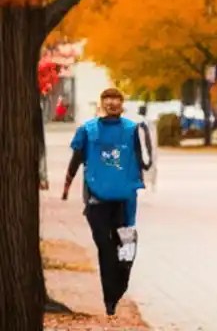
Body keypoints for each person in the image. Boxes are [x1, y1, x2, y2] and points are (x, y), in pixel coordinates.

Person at [61, 88, 148, 317]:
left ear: (122, 104)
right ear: (101, 103)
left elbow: (143, 160)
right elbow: (76, 160)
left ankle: (119, 286)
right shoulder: (88, 130)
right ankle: (110, 298)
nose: (112, 104)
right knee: (105, 247)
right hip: (96, 201)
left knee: (124, 247)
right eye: (108, 100)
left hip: (125, 200)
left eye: (116, 100)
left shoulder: (132, 130)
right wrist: (66, 187)